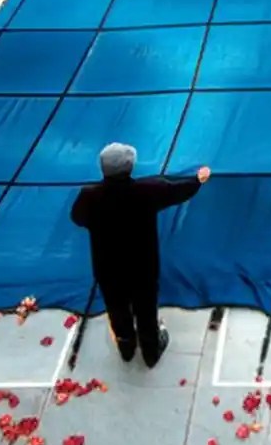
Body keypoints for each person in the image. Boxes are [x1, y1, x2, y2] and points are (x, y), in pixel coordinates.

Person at [70, 143, 210, 368]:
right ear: (130, 166)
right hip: (142, 265)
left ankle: (126, 346)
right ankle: (150, 350)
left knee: (116, 306)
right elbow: (179, 191)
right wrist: (198, 179)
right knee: (145, 307)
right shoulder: (147, 190)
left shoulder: (89, 195)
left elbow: (77, 218)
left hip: (107, 266)